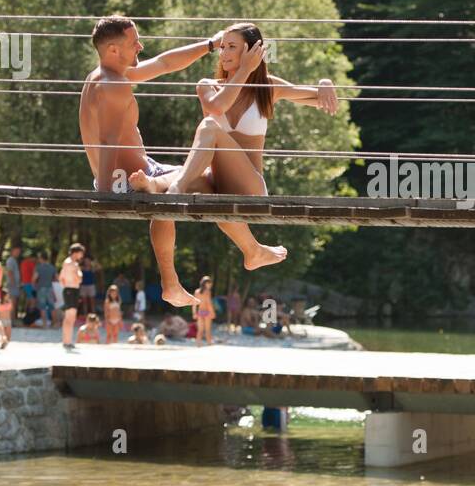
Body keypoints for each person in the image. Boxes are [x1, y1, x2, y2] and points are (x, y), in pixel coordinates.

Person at [79, 17, 301, 307]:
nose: (141, 46)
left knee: (191, 184)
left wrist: (209, 43)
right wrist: (105, 196)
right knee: (202, 188)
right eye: (134, 43)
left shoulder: (107, 75)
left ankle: (188, 274)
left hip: (140, 172)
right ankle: (245, 252)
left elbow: (163, 64)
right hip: (123, 180)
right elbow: (106, 141)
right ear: (113, 49)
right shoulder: (113, 85)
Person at [130, 23, 341, 292]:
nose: (223, 52)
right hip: (215, 185)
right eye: (222, 46)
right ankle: (159, 189)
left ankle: (172, 189)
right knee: (192, 167)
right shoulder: (208, 86)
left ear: (253, 51)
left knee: (208, 128)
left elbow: (319, 98)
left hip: (249, 187)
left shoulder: (267, 87)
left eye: (232, 46)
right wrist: (244, 71)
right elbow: (216, 106)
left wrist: (324, 83)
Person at [59, 242, 84, 350]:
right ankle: (67, 341)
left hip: (71, 289)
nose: (81, 255)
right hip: (71, 289)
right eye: (80, 253)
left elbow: (61, 278)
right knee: (70, 316)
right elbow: (77, 278)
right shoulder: (70, 264)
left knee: (70, 317)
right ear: (76, 252)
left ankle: (67, 340)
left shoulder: (72, 263)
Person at [34, 251, 57, 327]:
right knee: (52, 306)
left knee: (42, 306)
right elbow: (56, 278)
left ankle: (44, 324)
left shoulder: (39, 267)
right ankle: (54, 323)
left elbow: (34, 278)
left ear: (41, 258)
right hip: (50, 288)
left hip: (41, 288)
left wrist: (34, 285)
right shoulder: (52, 267)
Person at [193, 276, 215, 346]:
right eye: (209, 283)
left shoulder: (197, 291)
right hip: (207, 312)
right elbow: (209, 303)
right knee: (207, 330)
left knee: (200, 330)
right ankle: (209, 342)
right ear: (206, 284)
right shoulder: (207, 292)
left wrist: (194, 313)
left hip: (200, 312)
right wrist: (213, 312)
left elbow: (194, 304)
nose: (210, 285)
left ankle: (198, 343)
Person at [4, 245, 22, 320]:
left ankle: (13, 319)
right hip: (12, 285)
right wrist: (14, 283)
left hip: (15, 285)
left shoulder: (14, 260)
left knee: (14, 303)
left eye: (19, 252)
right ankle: (11, 320)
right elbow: (10, 272)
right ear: (12, 251)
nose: (18, 253)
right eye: (16, 251)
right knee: (12, 303)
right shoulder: (10, 260)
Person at [20, 250, 37, 315]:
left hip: (24, 282)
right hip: (30, 283)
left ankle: (25, 313)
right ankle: (30, 315)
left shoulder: (23, 262)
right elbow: (35, 272)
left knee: (28, 298)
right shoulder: (31, 263)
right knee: (32, 299)